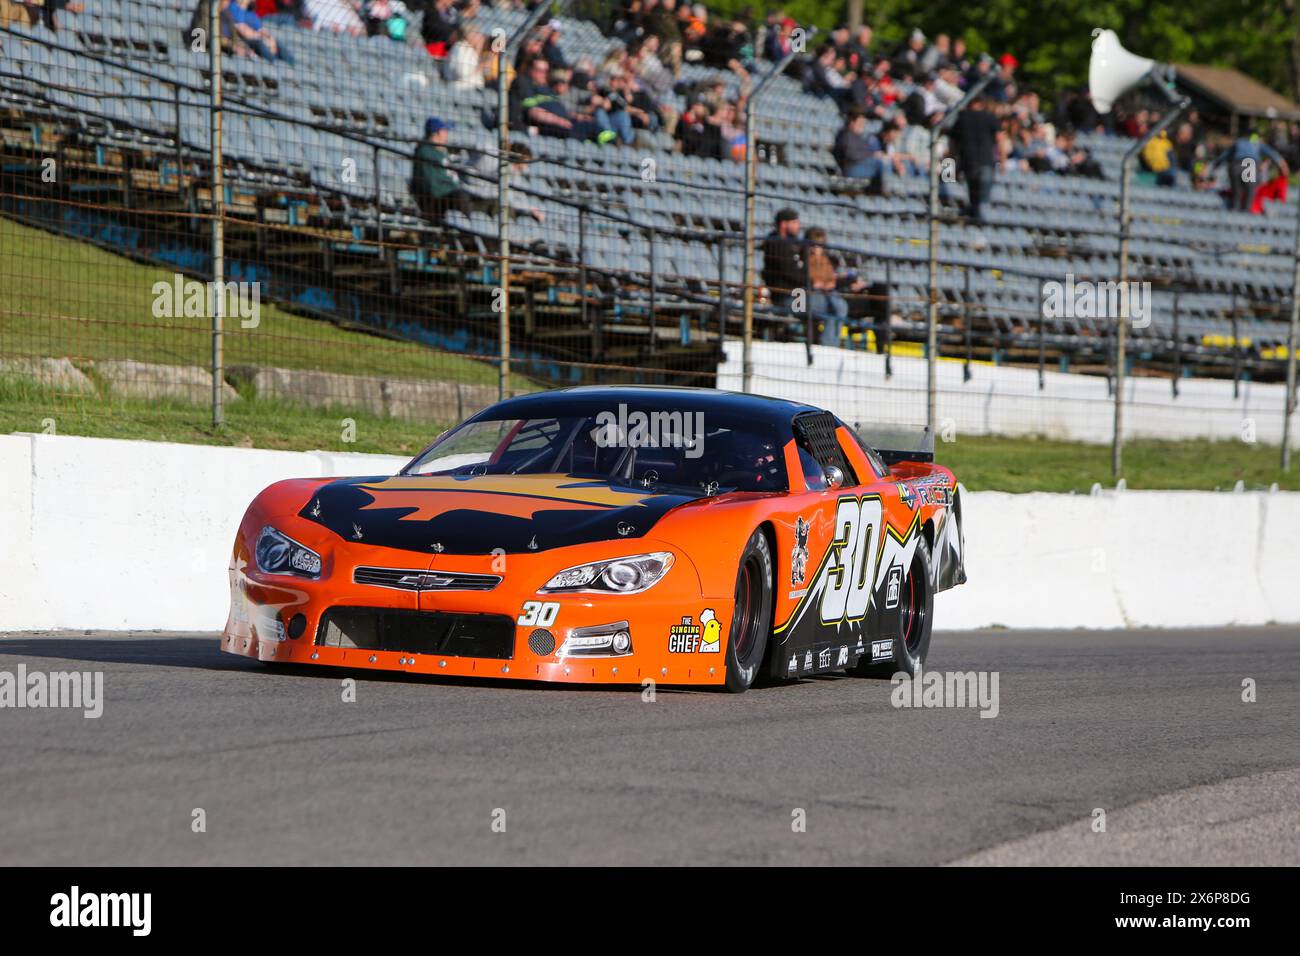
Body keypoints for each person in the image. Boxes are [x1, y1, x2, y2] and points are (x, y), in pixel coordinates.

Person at [410, 117, 473, 223]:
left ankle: (469, 227)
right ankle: (467, 230)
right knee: (461, 196)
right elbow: (431, 186)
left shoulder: (440, 151)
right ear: (438, 133)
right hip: (433, 202)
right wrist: (453, 189)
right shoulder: (425, 152)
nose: (447, 134)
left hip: (446, 198)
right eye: (445, 131)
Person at [948, 95, 1000, 222]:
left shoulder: (961, 118)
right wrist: (1002, 160)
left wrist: (950, 164)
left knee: (974, 196)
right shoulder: (989, 117)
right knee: (982, 199)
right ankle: (980, 222)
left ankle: (975, 218)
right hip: (986, 162)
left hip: (968, 162)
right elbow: (1000, 139)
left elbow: (953, 145)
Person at [1210, 134, 1290, 212]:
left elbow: (1223, 156)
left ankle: (1234, 212)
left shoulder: (1238, 142)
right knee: (1249, 197)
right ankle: (1246, 214)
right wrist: (1282, 164)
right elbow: (1272, 154)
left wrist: (1213, 166)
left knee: (1236, 195)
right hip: (1250, 165)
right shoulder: (1257, 143)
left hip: (1235, 165)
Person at [804, 227, 847, 348]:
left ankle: (832, 343)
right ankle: (827, 344)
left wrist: (829, 284)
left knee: (841, 307)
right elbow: (809, 278)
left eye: (819, 245)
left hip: (828, 292)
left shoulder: (825, 260)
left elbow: (831, 278)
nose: (816, 248)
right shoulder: (806, 259)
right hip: (813, 293)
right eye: (813, 245)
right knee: (835, 309)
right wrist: (818, 283)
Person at [761, 208, 805, 314]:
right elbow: (790, 272)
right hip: (786, 296)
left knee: (833, 305)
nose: (798, 226)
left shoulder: (793, 242)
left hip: (797, 293)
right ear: (784, 224)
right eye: (794, 222)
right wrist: (811, 280)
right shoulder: (776, 244)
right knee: (830, 306)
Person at [225, 0, 294, 63]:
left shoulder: (250, 12)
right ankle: (274, 62)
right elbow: (243, 31)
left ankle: (292, 63)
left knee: (277, 42)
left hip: (257, 37)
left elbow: (261, 29)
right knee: (260, 43)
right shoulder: (233, 8)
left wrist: (270, 38)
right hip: (246, 40)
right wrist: (262, 38)